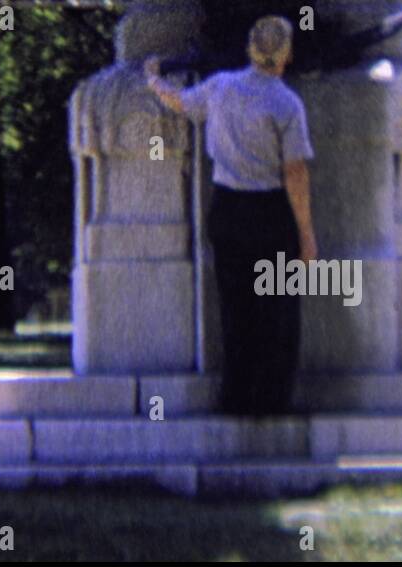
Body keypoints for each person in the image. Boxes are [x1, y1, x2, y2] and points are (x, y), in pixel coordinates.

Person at [145, 15, 317, 416]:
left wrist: (154, 80)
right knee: (276, 309)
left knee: (236, 309)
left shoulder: (220, 87)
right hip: (270, 213)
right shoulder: (287, 104)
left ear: (250, 49)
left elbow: (181, 102)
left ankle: (237, 396)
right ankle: (272, 399)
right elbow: (295, 172)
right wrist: (306, 233)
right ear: (286, 53)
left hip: (226, 209)